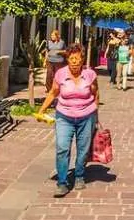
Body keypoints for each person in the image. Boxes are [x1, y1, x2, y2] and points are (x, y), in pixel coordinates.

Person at [37, 44, 99, 198]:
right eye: (71, 59)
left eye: (77, 59)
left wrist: (95, 112)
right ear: (67, 60)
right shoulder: (60, 74)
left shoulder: (90, 74)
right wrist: (42, 110)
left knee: (83, 149)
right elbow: (53, 92)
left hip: (86, 116)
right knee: (62, 147)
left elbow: (96, 92)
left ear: (82, 60)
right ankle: (62, 182)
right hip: (64, 116)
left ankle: (79, 176)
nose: (74, 62)